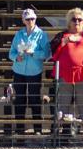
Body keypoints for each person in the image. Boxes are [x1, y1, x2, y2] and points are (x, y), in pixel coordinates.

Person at [50, 7, 83, 136]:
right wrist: (63, 43)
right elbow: (53, 53)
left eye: (80, 19)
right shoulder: (62, 35)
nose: (77, 22)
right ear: (69, 21)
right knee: (63, 103)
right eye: (74, 19)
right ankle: (59, 131)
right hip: (64, 74)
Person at [8, 8, 51, 137]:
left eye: (32, 19)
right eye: (27, 19)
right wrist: (17, 57)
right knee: (19, 99)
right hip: (19, 71)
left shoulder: (42, 34)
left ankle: (37, 128)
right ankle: (20, 128)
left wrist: (34, 53)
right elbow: (11, 53)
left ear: (35, 19)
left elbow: (47, 53)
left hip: (34, 71)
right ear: (23, 20)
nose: (30, 21)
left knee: (34, 100)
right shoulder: (18, 34)